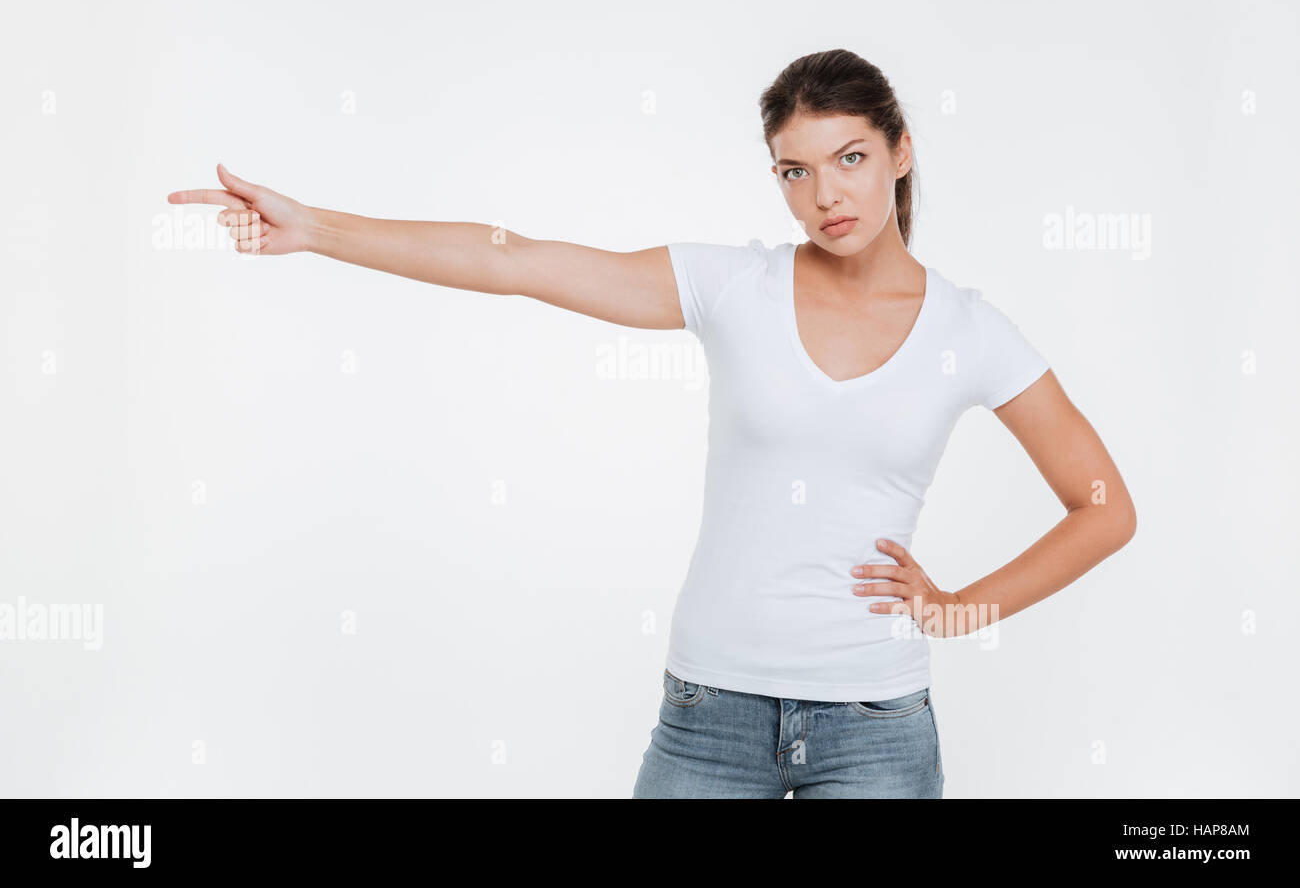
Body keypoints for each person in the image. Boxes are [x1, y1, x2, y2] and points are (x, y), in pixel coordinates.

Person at [167, 48, 1137, 800]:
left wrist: (958, 606)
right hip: (708, 710)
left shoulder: (968, 330)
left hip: (877, 724)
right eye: (793, 172)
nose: (824, 194)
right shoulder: (735, 285)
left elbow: (1102, 507)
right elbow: (517, 258)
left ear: (899, 151)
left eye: (848, 159)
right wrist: (320, 229)